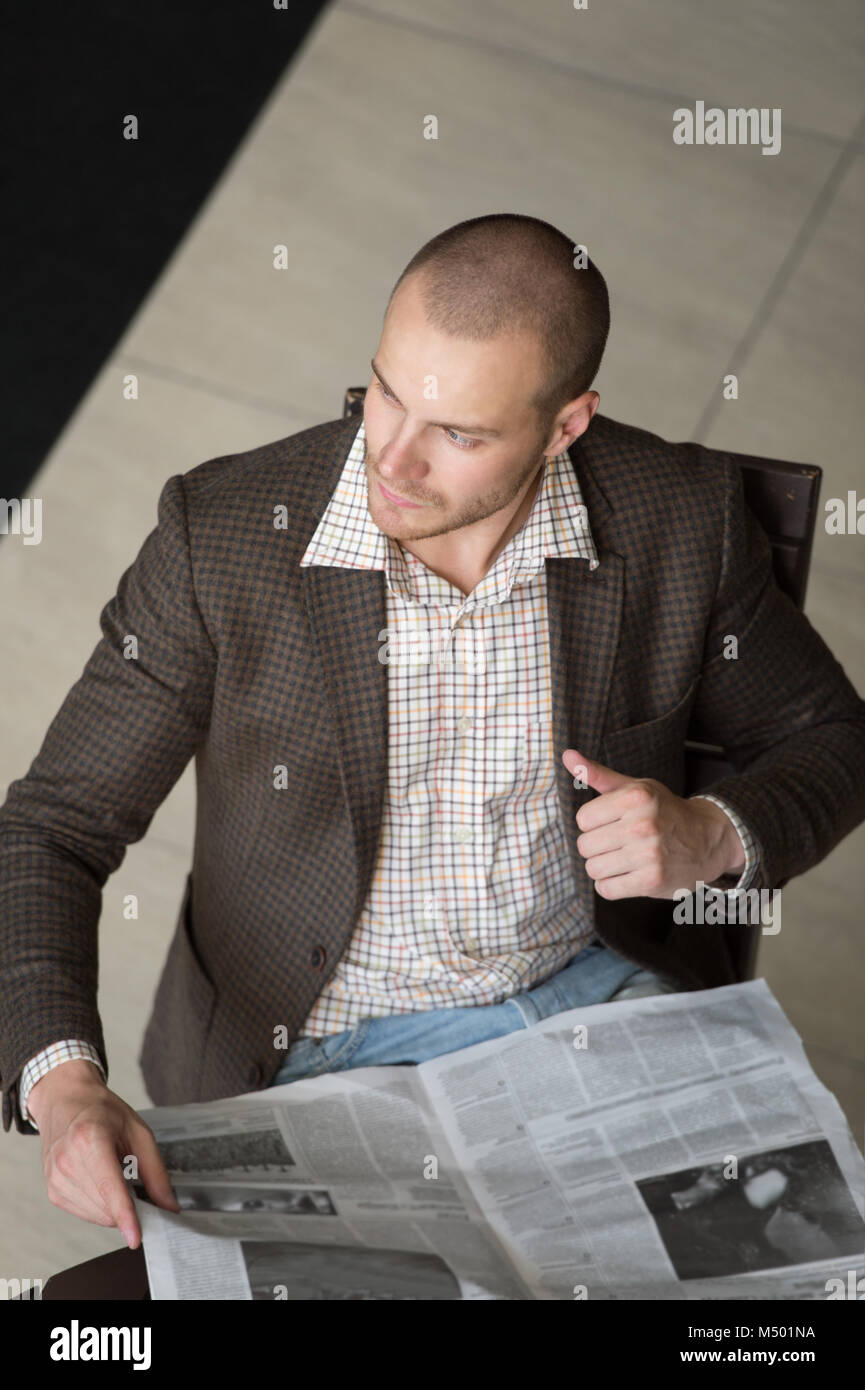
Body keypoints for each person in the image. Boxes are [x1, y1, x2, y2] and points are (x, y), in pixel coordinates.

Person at [2, 214, 864, 1254]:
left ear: (565, 426)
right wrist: (63, 1088)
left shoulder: (682, 520)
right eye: (387, 394)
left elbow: (833, 741)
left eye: (458, 433)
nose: (393, 462)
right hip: (308, 1047)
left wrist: (714, 834)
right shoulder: (220, 538)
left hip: (579, 991)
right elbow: (51, 827)